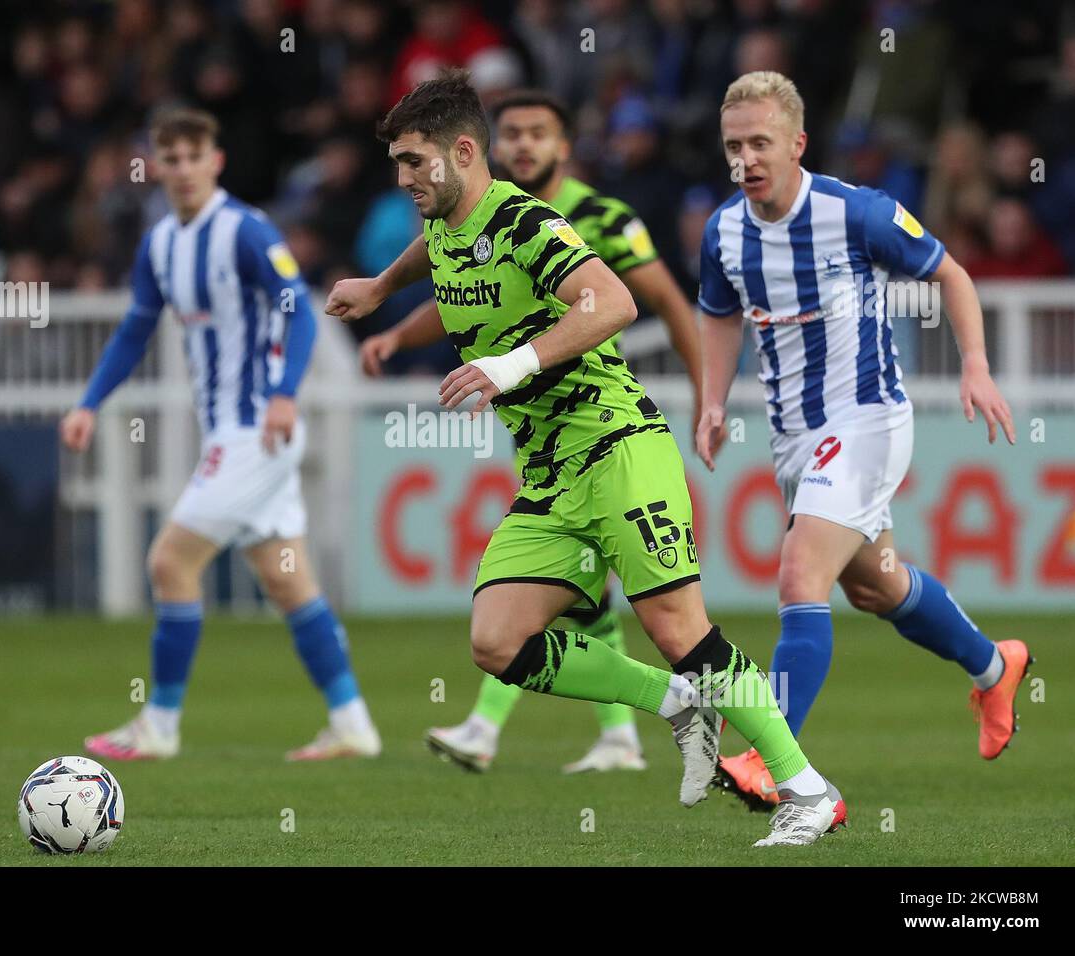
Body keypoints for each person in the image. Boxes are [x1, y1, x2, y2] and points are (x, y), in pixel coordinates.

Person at [329, 70, 844, 846]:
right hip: (550, 473)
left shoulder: (525, 222)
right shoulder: (447, 222)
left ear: (463, 152)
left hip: (615, 444)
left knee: (678, 626)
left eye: (412, 163)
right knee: (497, 640)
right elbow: (434, 252)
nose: (402, 180)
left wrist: (511, 366)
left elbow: (615, 302)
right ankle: (676, 704)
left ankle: (807, 790)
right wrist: (380, 286)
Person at [694, 72, 1031, 812]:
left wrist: (976, 367)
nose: (745, 159)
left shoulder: (857, 213)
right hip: (794, 438)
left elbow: (953, 274)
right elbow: (719, 313)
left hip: (867, 419)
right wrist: (713, 400)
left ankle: (770, 755)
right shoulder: (723, 231)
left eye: (760, 144)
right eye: (733, 146)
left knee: (797, 577)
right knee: (875, 584)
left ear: (797, 144)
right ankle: (992, 664)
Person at [360, 88, 700, 775]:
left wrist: (711, 394)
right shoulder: (460, 214)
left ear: (564, 143)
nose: (521, 145)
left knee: (658, 623)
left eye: (536, 133)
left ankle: (777, 768)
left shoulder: (592, 217)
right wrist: (386, 305)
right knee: (560, 608)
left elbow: (655, 299)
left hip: (605, 429)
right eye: (511, 132)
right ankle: (630, 728)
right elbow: (453, 276)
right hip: (545, 449)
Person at [61, 108, 380, 763]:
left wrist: (286, 396)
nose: (180, 170)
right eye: (168, 158)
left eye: (191, 157)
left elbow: (300, 312)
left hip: (255, 430)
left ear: (216, 161)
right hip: (234, 434)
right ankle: (352, 723)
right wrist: (90, 402)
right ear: (156, 164)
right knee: (289, 582)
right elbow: (135, 329)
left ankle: (161, 724)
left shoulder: (246, 231)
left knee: (169, 562)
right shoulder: (159, 242)